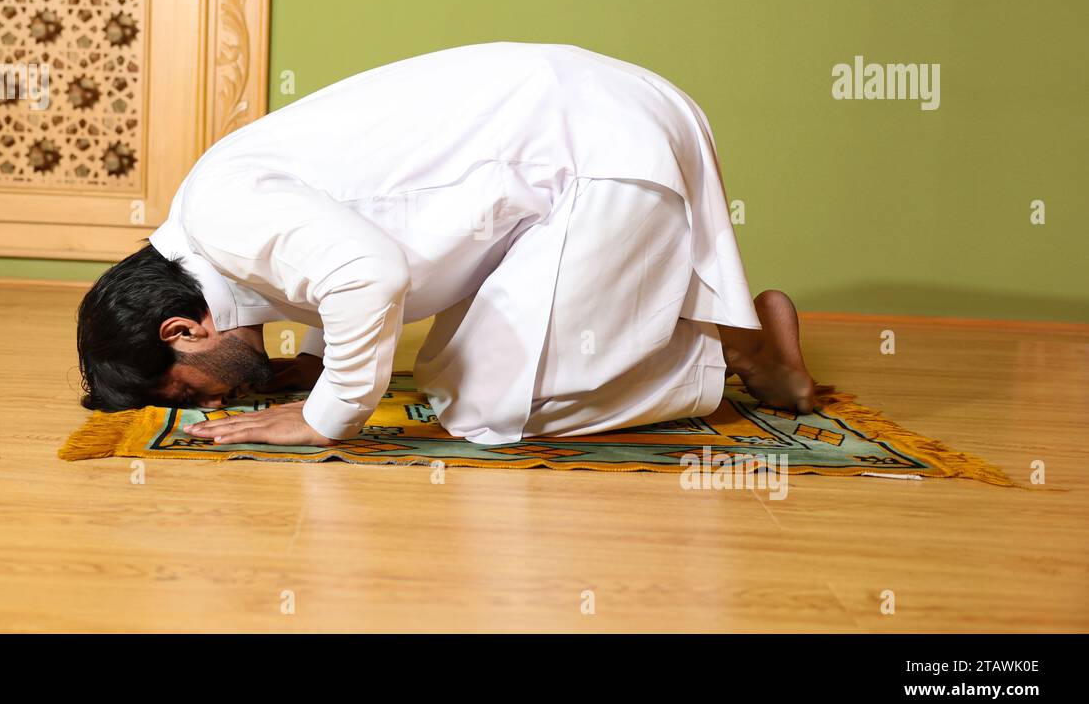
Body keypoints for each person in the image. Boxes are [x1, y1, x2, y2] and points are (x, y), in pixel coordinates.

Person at [76, 42, 816, 446]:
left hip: (595, 148)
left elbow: (366, 272)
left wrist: (323, 415)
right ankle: (733, 332)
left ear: (184, 330)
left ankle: (731, 348)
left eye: (187, 392)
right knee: (449, 376)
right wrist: (316, 362)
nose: (213, 404)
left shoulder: (221, 214)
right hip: (589, 129)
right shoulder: (210, 227)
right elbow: (318, 257)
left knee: (488, 411)